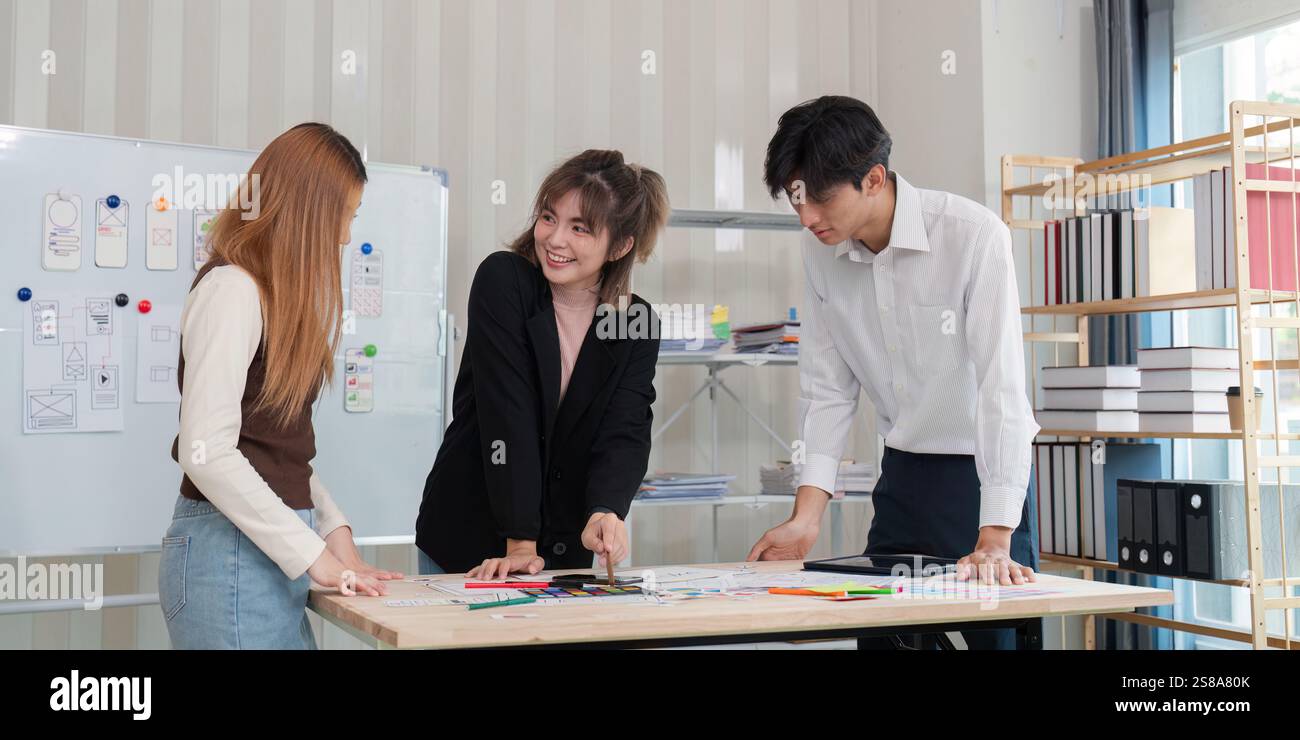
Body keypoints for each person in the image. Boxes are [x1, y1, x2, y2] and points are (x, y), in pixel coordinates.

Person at [746, 96, 1040, 650]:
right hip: (902, 479)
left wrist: (996, 536)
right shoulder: (820, 253)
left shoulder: (973, 236)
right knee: (883, 638)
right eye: (796, 197)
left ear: (874, 178)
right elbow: (827, 391)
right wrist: (807, 517)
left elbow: (1001, 392)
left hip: (983, 481)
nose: (807, 217)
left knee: (996, 639)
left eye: (821, 197)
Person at [160, 123, 402, 650]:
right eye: (343, 217)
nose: (344, 236)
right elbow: (207, 452)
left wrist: (335, 532)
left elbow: (275, 447)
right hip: (228, 555)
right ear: (307, 214)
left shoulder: (273, 298)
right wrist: (316, 557)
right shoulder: (231, 290)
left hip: (262, 555)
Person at [415, 149, 670, 579]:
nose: (555, 239)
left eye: (580, 228)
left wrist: (606, 510)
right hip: (471, 532)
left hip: (563, 545)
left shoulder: (633, 321)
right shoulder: (504, 281)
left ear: (620, 246)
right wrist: (519, 542)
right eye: (549, 218)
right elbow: (507, 413)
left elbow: (625, 429)